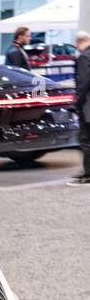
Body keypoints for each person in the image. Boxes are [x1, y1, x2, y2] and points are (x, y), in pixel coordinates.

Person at [72, 31, 90, 185]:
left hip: (87, 107)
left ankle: (88, 173)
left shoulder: (84, 57)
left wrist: (77, 102)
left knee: (86, 140)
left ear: (79, 42)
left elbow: (83, 83)